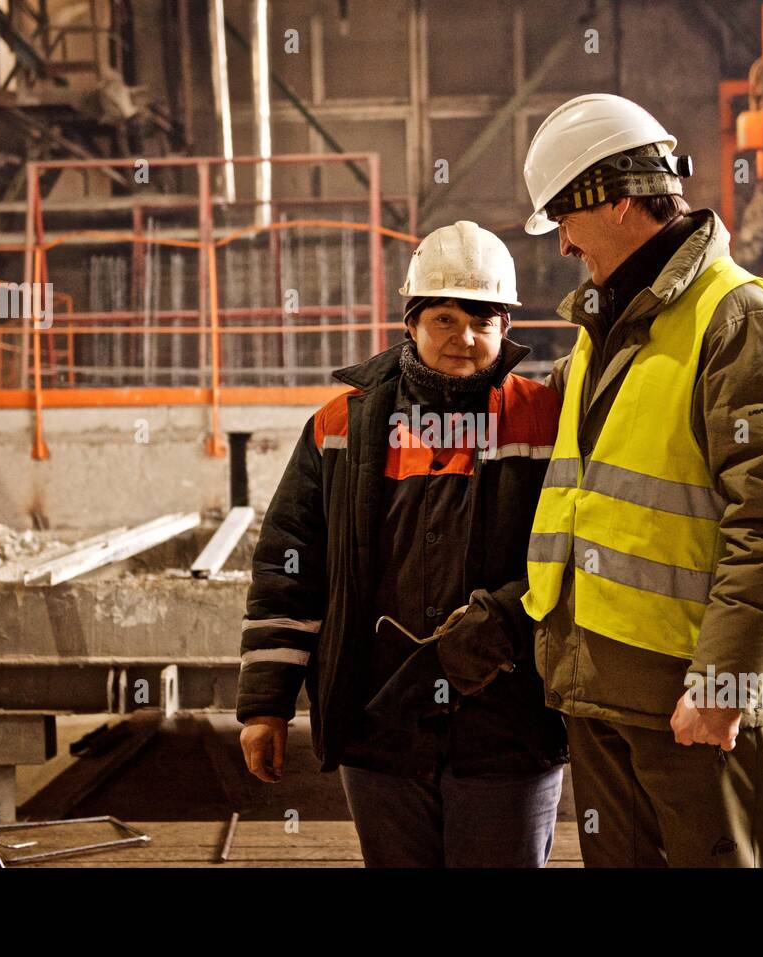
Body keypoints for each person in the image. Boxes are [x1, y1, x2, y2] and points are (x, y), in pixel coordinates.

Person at [519, 93, 763, 867]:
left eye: (564, 216)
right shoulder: (614, 324)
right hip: (601, 688)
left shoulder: (734, 321)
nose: (561, 243)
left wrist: (725, 681)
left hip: (689, 703)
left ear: (619, 201)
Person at [236, 220, 568, 867]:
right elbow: (289, 563)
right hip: (380, 726)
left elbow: (582, 552)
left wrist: (504, 620)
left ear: (506, 327)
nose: (464, 337)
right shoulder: (343, 426)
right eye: (444, 318)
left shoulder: (547, 417)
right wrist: (265, 704)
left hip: (509, 729)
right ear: (411, 321)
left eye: (482, 320)